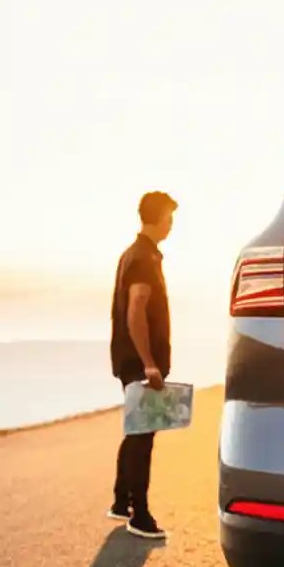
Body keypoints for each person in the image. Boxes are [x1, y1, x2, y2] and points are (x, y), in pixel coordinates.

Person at [108, 191, 177, 539]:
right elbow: (136, 308)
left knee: (135, 430)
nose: (172, 225)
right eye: (170, 218)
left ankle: (121, 502)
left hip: (129, 358)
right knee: (143, 436)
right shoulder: (144, 258)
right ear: (159, 217)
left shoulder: (131, 254)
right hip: (139, 361)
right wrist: (150, 363)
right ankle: (141, 514)